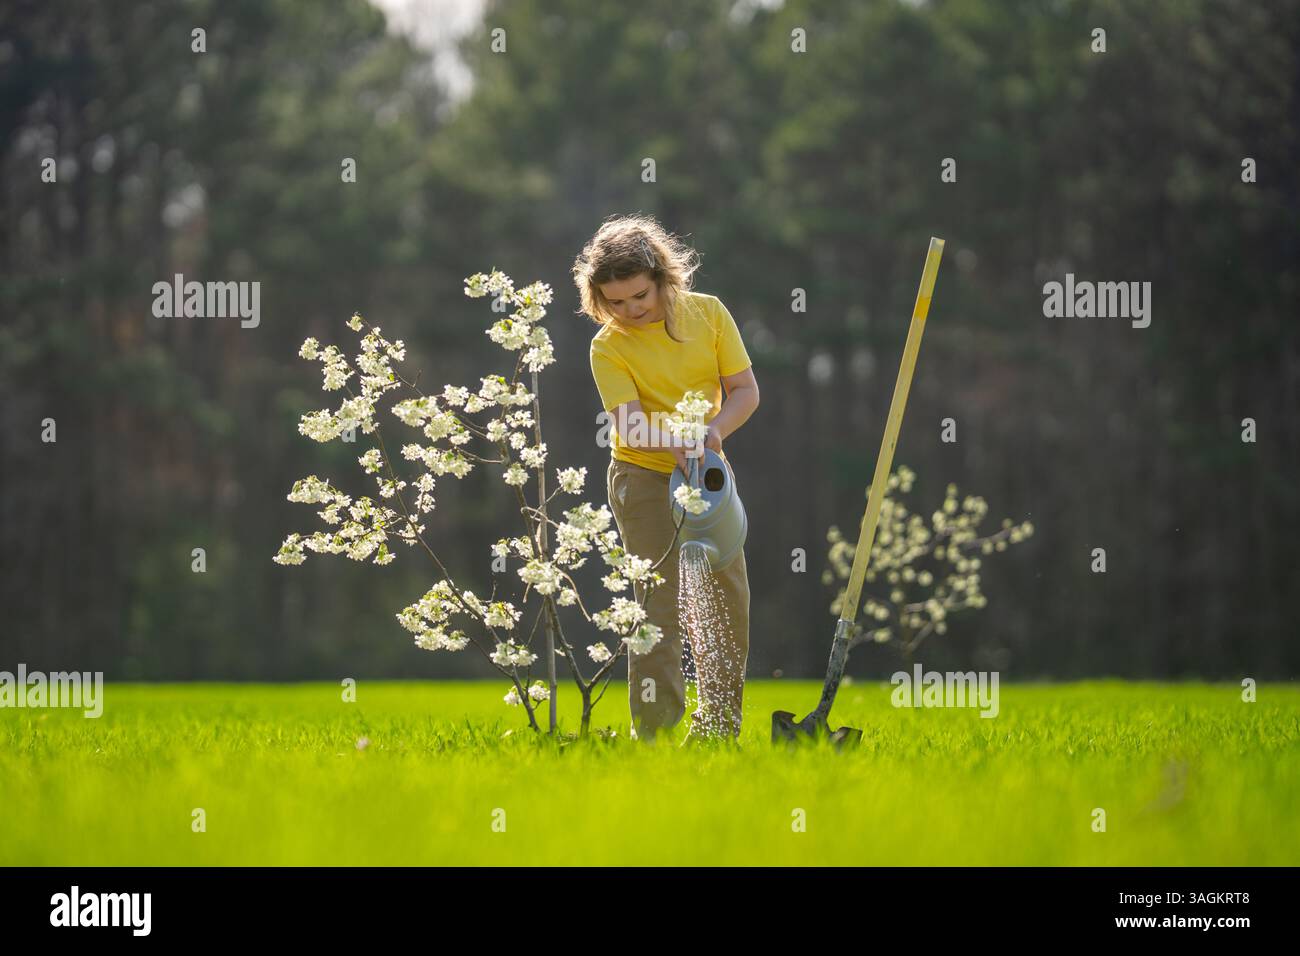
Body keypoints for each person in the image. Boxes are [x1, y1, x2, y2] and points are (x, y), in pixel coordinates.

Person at [571, 214, 760, 744]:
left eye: (639, 297)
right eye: (615, 302)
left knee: (726, 600)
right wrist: (676, 441)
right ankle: (653, 736)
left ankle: (717, 731)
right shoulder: (607, 346)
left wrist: (714, 433)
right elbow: (628, 422)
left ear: (663, 279)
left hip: (707, 473)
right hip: (643, 478)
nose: (630, 310)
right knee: (658, 607)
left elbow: (745, 391)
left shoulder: (711, 315)